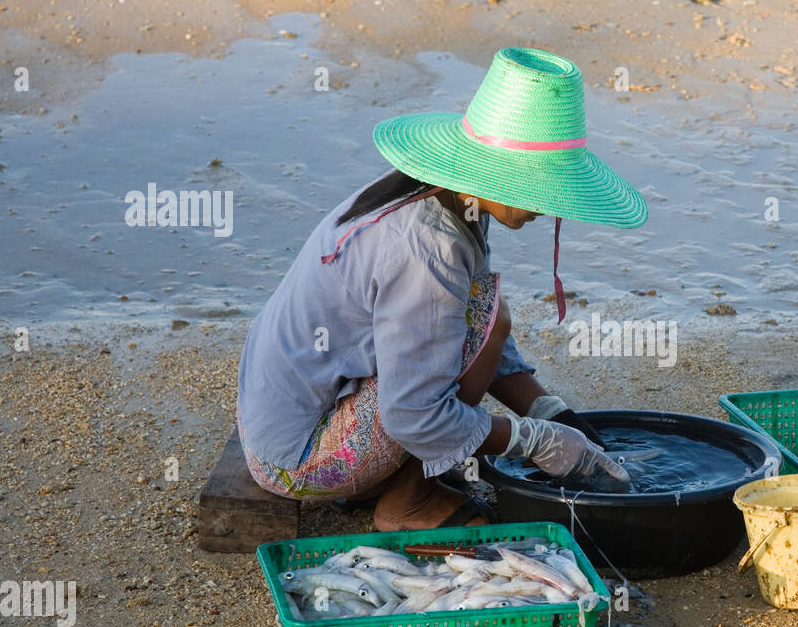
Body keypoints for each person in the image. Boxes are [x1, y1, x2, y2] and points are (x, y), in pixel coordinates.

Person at [236, 47, 646, 531]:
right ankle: (408, 502)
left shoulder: (444, 194)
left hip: (281, 418)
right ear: (491, 173)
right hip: (299, 457)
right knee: (488, 321)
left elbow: (467, 330)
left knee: (482, 317)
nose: (547, 206)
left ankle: (395, 477)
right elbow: (415, 415)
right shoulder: (426, 247)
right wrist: (535, 440)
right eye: (539, 186)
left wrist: (551, 411)